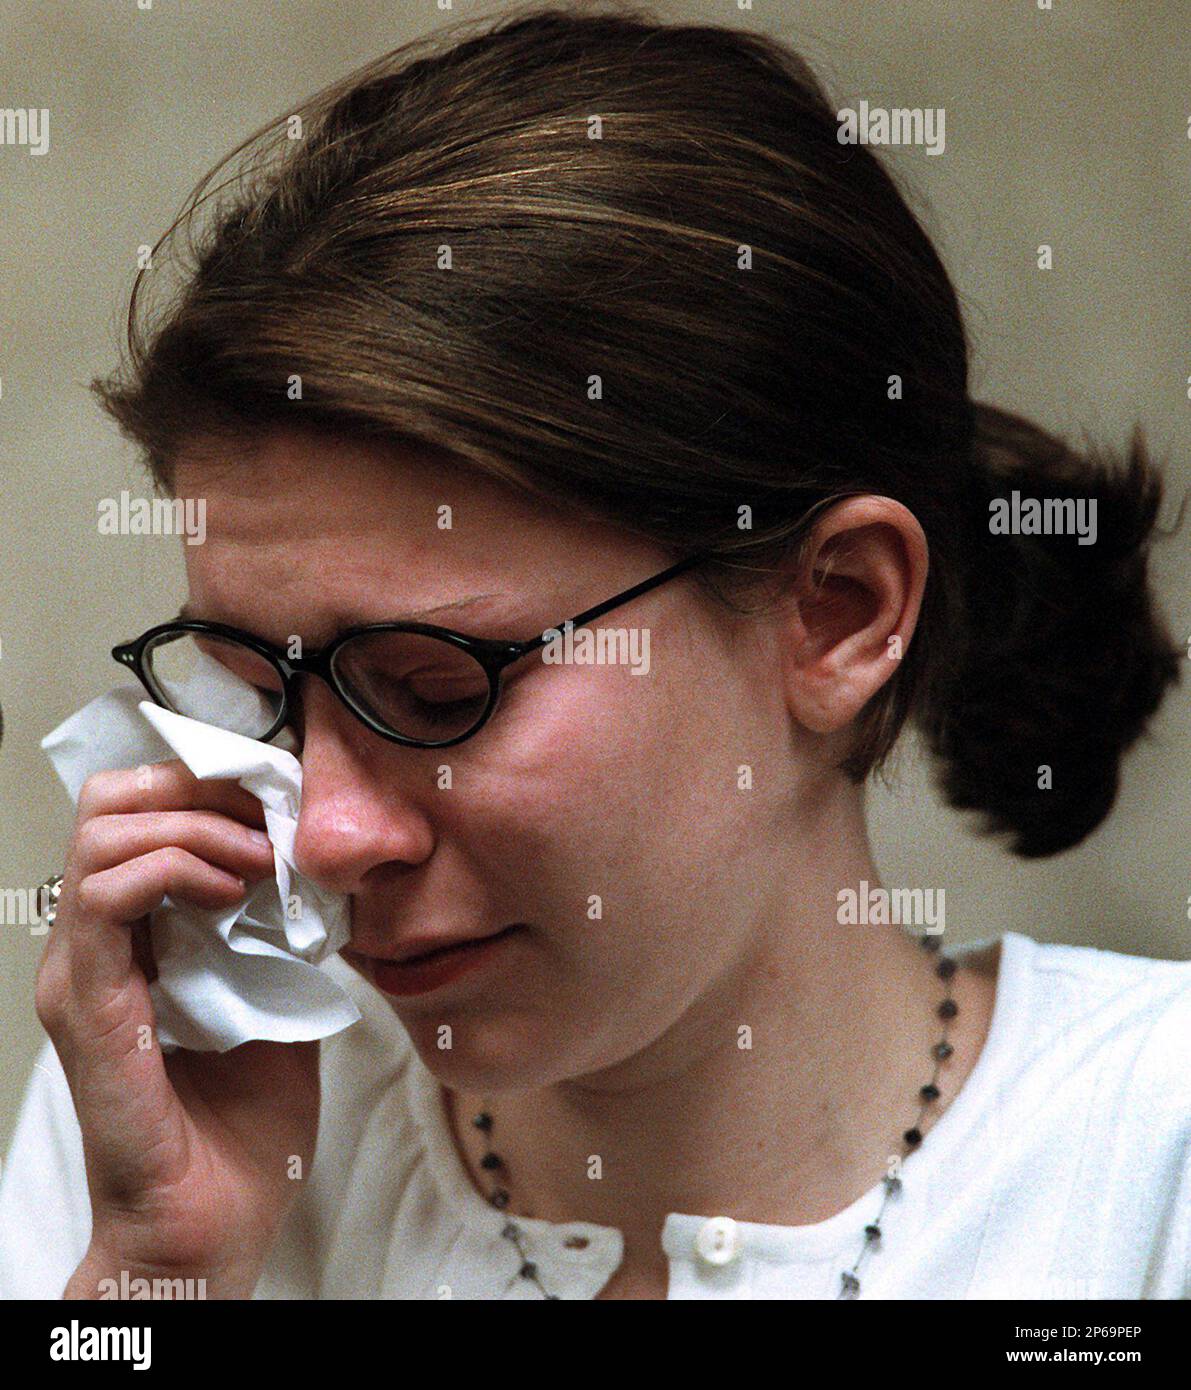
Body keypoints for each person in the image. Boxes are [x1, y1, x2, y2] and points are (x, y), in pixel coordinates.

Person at [2, 5, 1186, 1301]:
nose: (328, 835)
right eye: (258, 691)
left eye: (439, 686)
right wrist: (154, 1274)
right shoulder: (172, 1122)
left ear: (841, 611)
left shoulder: (1146, 1171)